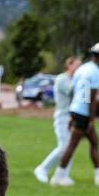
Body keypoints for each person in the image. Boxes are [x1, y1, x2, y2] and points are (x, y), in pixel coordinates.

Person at [53, 43, 99, 186]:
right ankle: (59, 176)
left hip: (76, 109)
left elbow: (74, 91)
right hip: (84, 112)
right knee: (72, 144)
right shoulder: (96, 72)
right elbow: (91, 97)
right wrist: (91, 119)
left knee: (94, 141)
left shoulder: (82, 68)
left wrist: (72, 113)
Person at [32, 56, 80, 184]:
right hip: (63, 117)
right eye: (77, 65)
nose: (79, 68)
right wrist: (84, 81)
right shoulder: (62, 79)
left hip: (73, 117)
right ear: (69, 65)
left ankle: (64, 175)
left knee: (70, 147)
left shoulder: (74, 79)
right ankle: (42, 169)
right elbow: (73, 92)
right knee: (64, 146)